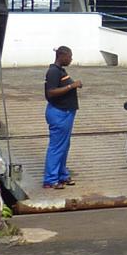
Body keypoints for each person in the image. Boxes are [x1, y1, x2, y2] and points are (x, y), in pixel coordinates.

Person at [43, 45, 84, 190]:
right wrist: (71, 86)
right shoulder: (53, 72)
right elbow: (51, 92)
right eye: (69, 56)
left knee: (64, 146)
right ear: (62, 55)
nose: (71, 59)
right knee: (56, 147)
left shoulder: (60, 71)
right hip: (59, 113)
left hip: (66, 113)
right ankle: (50, 179)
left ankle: (62, 174)